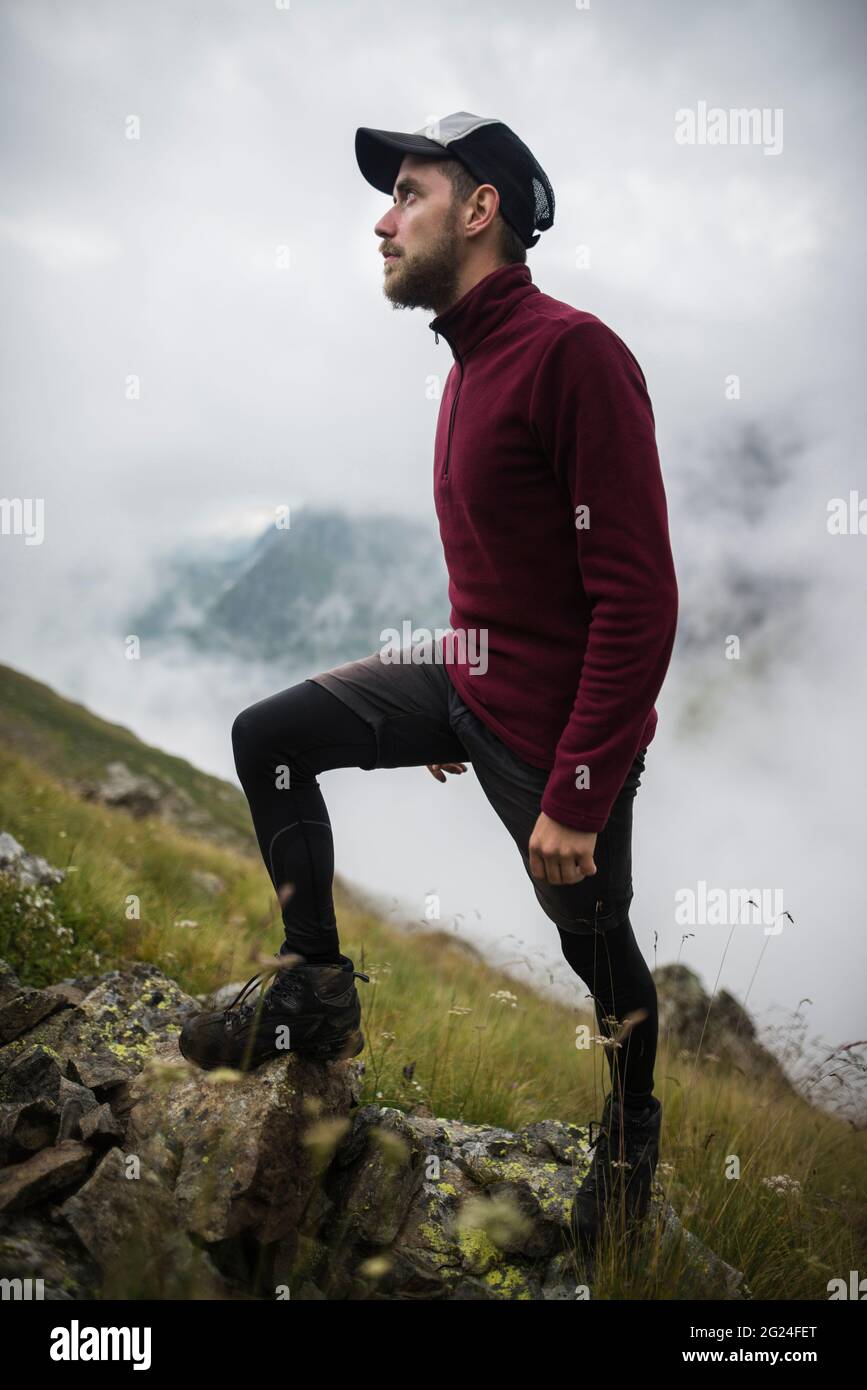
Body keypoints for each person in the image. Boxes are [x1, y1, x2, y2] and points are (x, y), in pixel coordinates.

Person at [179, 112, 679, 1252]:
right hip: (468, 677)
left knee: (597, 945)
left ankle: (632, 1127)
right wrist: (448, 685)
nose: (382, 218)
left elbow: (639, 599)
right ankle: (313, 988)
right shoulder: (463, 365)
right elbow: (499, 560)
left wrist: (580, 790)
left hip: (557, 738)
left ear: (480, 208)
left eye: (407, 192)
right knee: (273, 734)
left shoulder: (575, 354)